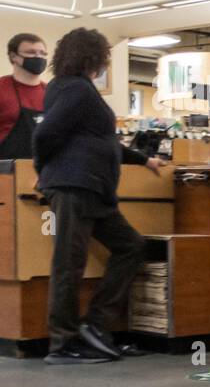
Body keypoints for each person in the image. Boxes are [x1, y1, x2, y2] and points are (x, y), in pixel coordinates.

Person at [33, 27, 162, 365]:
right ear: (94, 56)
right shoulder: (75, 89)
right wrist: (44, 170)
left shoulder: (76, 88)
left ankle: (96, 325)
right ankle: (62, 344)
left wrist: (143, 159)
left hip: (92, 189)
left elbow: (100, 140)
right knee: (68, 263)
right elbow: (45, 132)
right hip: (75, 186)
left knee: (131, 245)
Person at [0, 32, 48, 158]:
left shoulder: (52, 92)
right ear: (13, 56)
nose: (38, 57)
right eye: (31, 52)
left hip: (45, 171)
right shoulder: (2, 88)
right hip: (5, 172)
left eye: (43, 53)